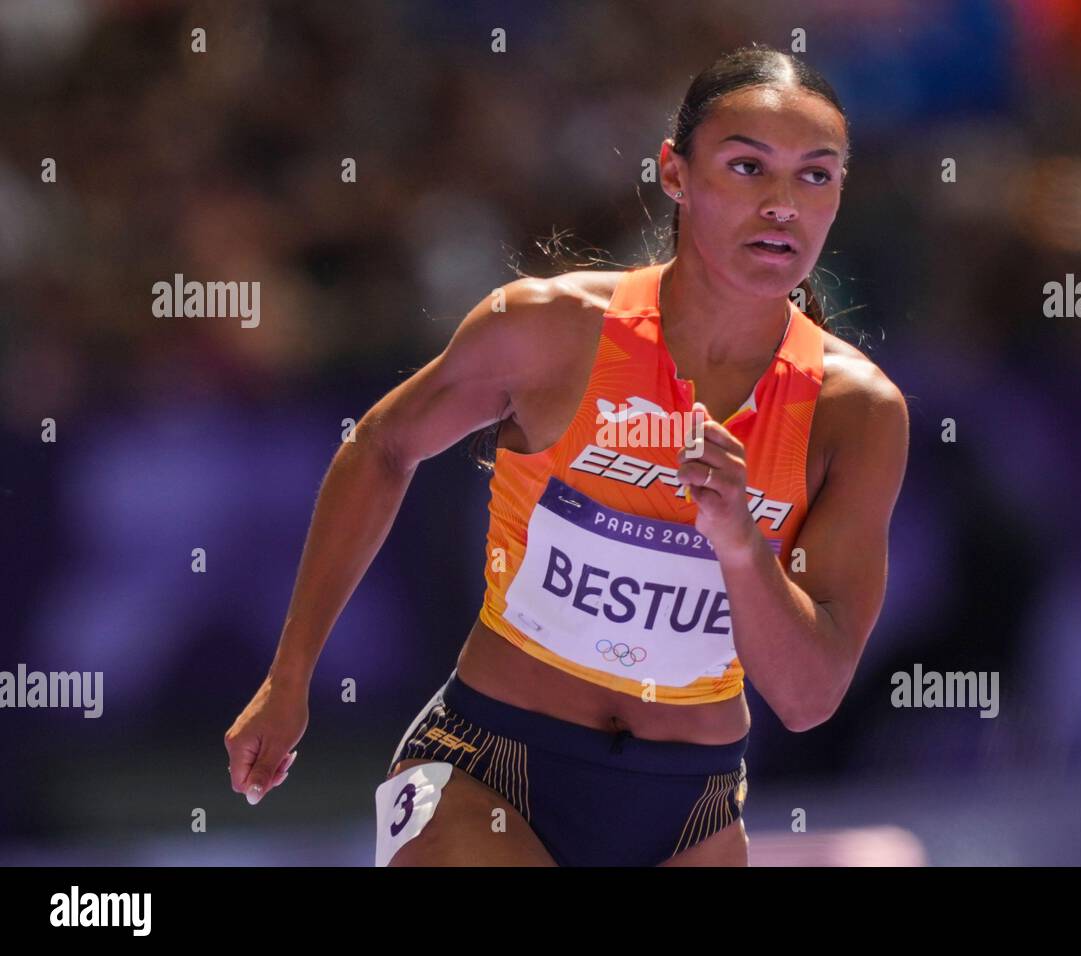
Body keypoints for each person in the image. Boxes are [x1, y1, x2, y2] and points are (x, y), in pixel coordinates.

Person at [224, 43, 909, 867]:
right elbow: (379, 446)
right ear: (675, 174)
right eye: (747, 166)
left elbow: (808, 696)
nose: (782, 205)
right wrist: (290, 674)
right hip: (493, 766)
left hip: (690, 802)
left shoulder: (857, 412)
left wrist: (738, 542)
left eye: (815, 175)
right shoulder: (550, 329)